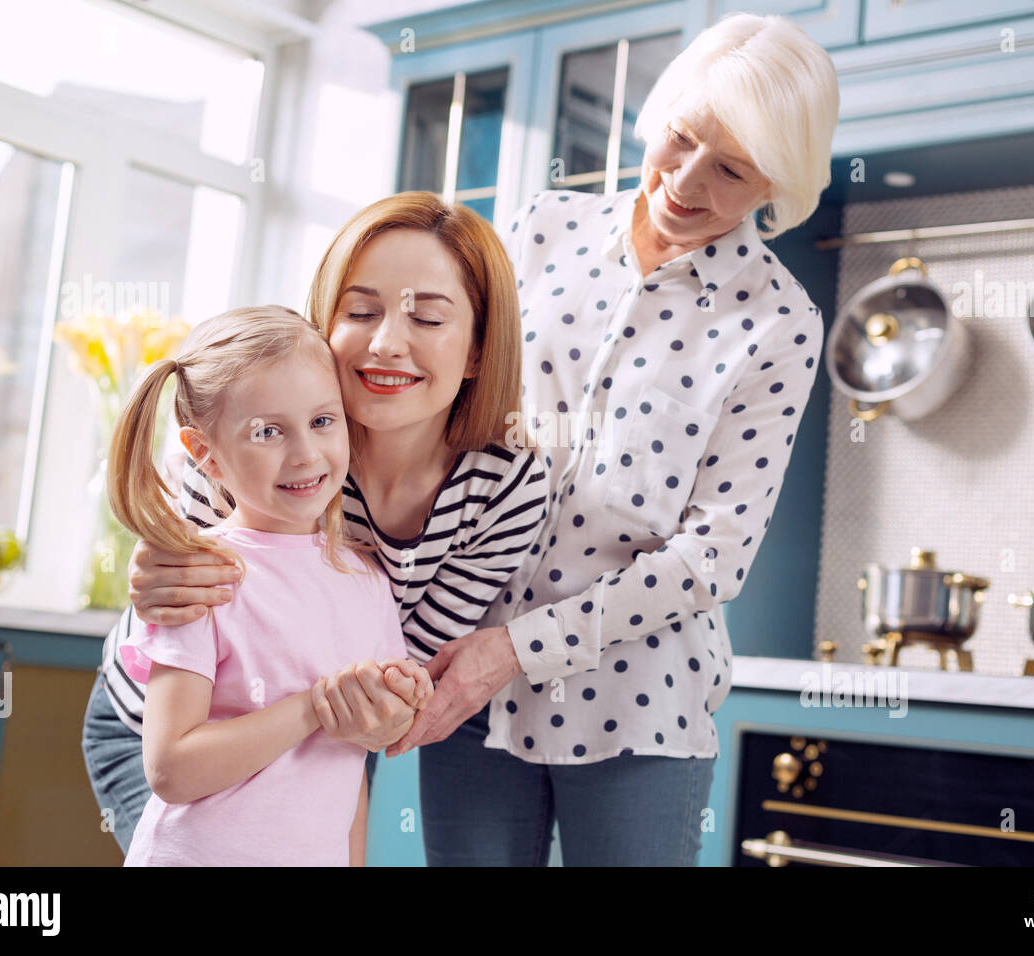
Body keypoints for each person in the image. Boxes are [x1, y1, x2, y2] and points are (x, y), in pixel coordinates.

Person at [345, 12, 841, 866]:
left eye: (730, 170)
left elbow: (712, 556)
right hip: (461, 675)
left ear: (777, 183)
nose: (684, 180)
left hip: (636, 707)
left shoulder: (780, 322)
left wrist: (516, 649)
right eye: (681, 137)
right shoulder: (542, 229)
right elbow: (430, 408)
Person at [80, 193, 548, 853]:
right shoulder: (262, 423)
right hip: (156, 731)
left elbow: (375, 706)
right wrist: (159, 565)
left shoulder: (503, 483)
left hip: (316, 754)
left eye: (427, 317)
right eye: (360, 311)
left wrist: (388, 705)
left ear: (477, 349)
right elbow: (180, 727)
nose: (386, 343)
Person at [104, 305, 433, 865]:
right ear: (205, 455)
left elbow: (354, 758)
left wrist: (400, 704)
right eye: (267, 432)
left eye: (323, 421)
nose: (305, 454)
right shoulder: (200, 578)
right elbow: (170, 769)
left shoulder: (369, 582)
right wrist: (313, 709)